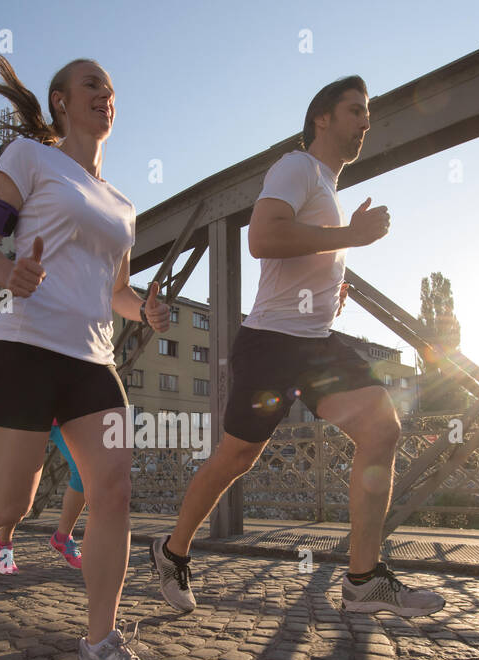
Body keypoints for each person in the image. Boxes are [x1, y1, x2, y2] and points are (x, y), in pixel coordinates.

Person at [150, 76, 445, 618]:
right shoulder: (296, 167)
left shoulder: (328, 189)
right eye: (355, 110)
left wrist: (330, 288)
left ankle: (363, 580)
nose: (366, 122)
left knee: (382, 427)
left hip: (316, 344)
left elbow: (300, 256)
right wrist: (349, 237)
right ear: (321, 119)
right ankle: (172, 551)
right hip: (270, 344)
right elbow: (261, 237)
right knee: (236, 457)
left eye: (368, 114)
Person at [0, 55, 170, 660]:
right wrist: (8, 273)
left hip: (93, 360)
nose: (105, 95)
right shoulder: (29, 158)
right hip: (25, 346)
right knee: (14, 502)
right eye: (92, 84)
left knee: (113, 488)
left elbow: (115, 291)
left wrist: (144, 309)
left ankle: (99, 645)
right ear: (60, 101)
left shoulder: (122, 205)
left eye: (111, 88)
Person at [0, 419, 86, 574]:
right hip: (32, 415)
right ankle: (3, 543)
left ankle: (62, 537)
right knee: (20, 479)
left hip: (65, 417)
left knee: (84, 472)